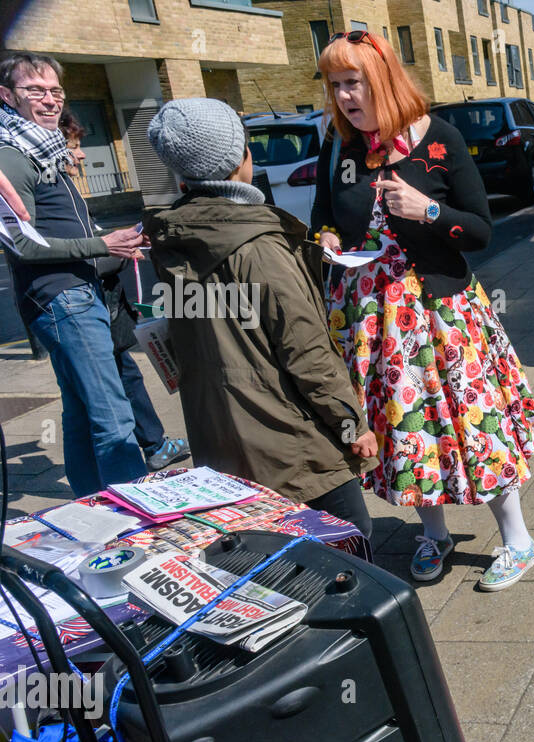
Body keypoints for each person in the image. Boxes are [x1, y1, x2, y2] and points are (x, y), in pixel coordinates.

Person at [312, 30, 534, 590]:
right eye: (336, 85)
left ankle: (518, 539)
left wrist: (429, 211)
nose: (345, 96)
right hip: (371, 317)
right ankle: (434, 533)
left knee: (474, 423)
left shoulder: (439, 138)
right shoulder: (338, 144)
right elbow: (324, 214)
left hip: (441, 311)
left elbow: (480, 232)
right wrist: (326, 240)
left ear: (383, 79)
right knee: (405, 429)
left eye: (354, 83)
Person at [144, 97, 378, 539]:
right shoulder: (260, 247)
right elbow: (307, 353)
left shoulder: (172, 240)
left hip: (220, 440)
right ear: (242, 159)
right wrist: (352, 425)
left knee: (266, 559)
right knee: (348, 550)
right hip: (293, 446)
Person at [0, 53, 147, 498]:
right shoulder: (14, 157)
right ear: (7, 96)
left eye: (55, 91)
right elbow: (22, 244)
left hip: (73, 295)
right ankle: (143, 517)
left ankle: (90, 503)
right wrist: (104, 245)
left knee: (82, 411)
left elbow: (64, 228)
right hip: (64, 300)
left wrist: (118, 238)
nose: (49, 101)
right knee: (113, 417)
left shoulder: (42, 149)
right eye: (35, 91)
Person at [59, 110, 189, 472]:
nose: (82, 155)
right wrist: (114, 250)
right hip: (86, 310)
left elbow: (93, 244)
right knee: (107, 408)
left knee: (107, 390)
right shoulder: (53, 197)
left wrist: (122, 241)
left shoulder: (69, 194)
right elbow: (83, 257)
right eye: (74, 147)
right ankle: (137, 473)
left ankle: (147, 449)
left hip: (103, 310)